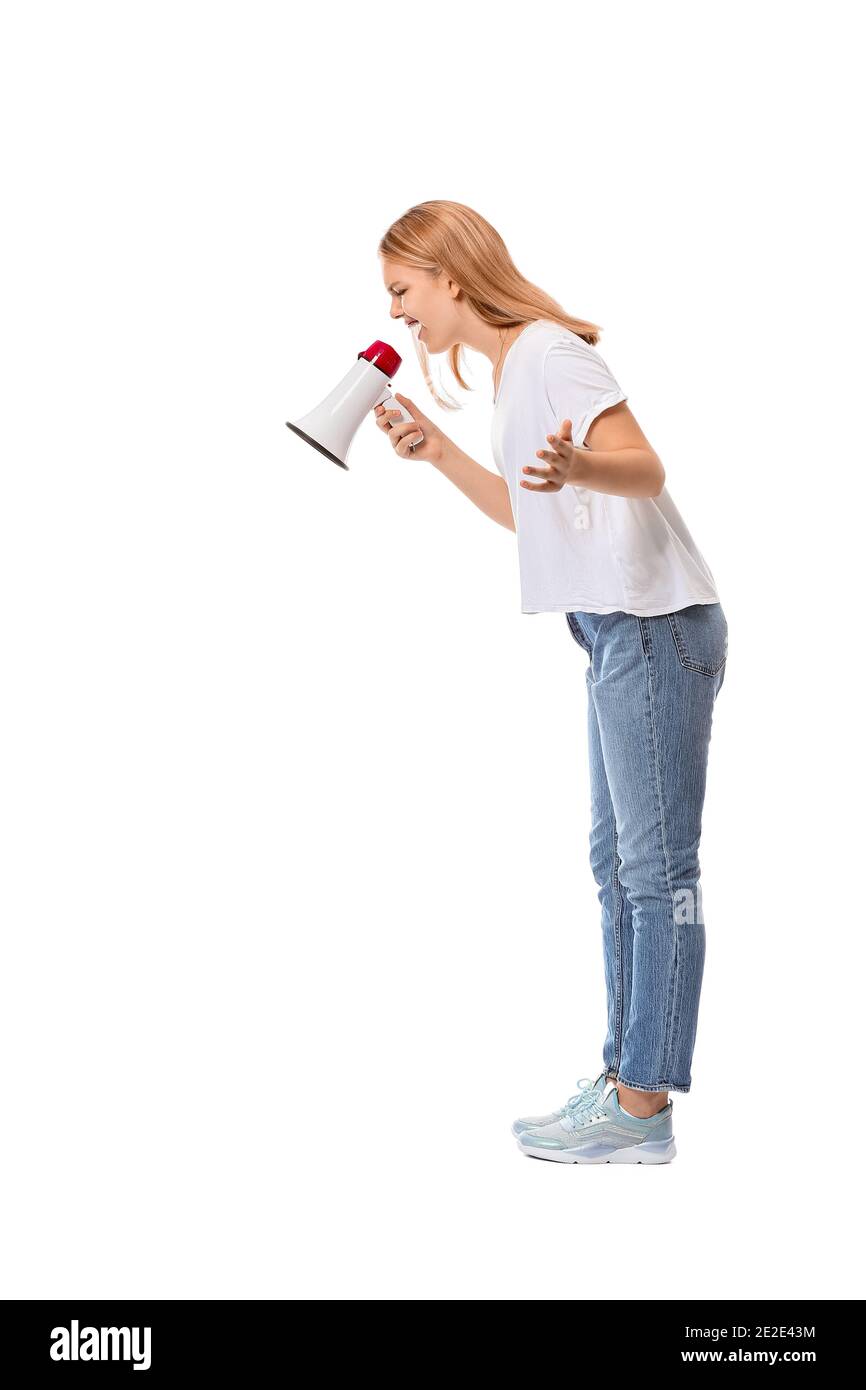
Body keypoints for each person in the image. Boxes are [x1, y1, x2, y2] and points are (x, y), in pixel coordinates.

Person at [373, 201, 727, 1165]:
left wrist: (581, 462)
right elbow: (533, 515)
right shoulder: (511, 371)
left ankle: (643, 1106)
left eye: (403, 291)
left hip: (653, 629)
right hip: (616, 633)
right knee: (617, 865)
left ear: (449, 274)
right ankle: (626, 1083)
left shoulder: (548, 354)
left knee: (658, 877)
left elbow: (645, 472)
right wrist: (441, 455)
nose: (399, 313)